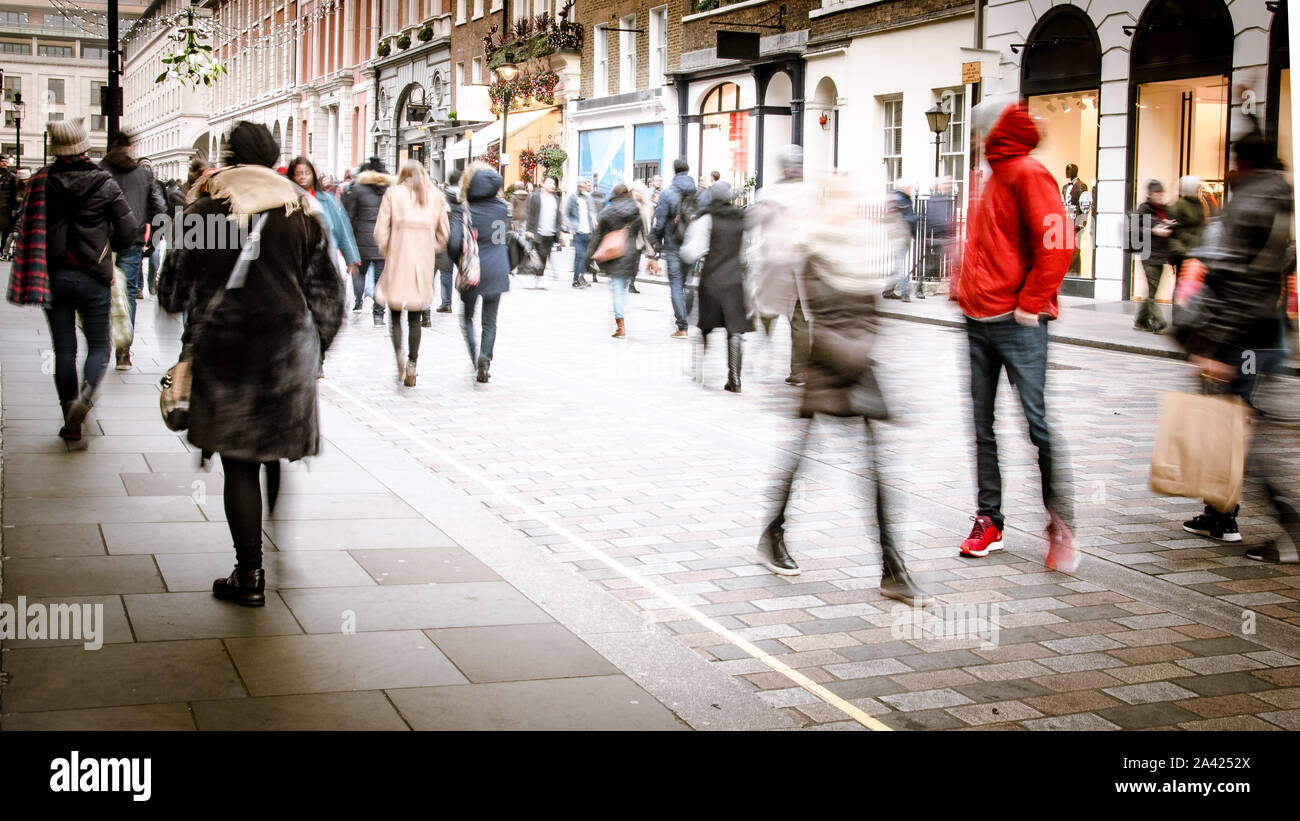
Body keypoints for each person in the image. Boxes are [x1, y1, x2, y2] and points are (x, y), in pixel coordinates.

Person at [156, 121, 346, 607]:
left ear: (230, 156)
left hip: (225, 352)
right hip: (286, 354)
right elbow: (329, 294)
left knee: (239, 464)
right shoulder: (301, 211)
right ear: (276, 155)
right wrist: (315, 347)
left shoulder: (203, 211)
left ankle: (249, 573)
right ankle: (274, 532)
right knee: (274, 451)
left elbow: (172, 292)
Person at [755, 177, 928, 604]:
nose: (848, 209)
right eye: (839, 201)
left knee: (873, 471)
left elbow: (872, 313)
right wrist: (858, 357)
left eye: (851, 201)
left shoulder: (862, 251)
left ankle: (892, 567)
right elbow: (822, 316)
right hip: (829, 366)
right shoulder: (811, 251)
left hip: (858, 366)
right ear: (823, 206)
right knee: (801, 460)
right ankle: (773, 533)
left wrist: (866, 353)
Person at [950, 96, 1077, 572]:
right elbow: (986, 245)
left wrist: (1029, 304)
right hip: (978, 321)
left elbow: (1058, 241)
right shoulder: (988, 175)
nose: (973, 136)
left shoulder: (1026, 172)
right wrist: (961, 289)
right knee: (982, 427)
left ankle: (1060, 524)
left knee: (1036, 424)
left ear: (991, 129)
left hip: (1018, 324)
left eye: (976, 128)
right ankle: (989, 519)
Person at [1176, 131, 1297, 562]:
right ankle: (1218, 513)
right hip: (1268, 336)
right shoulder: (1281, 199)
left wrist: (1211, 345)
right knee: (1233, 426)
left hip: (1243, 341)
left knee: (1237, 434)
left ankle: (1271, 524)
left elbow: (1232, 283)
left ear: (1241, 163)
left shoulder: (1250, 203)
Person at [9, 119, 137, 442]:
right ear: (83, 145)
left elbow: (24, 224)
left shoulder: (40, 182)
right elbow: (128, 231)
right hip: (94, 276)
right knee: (98, 346)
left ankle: (69, 415)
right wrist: (108, 248)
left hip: (53, 276)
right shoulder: (104, 183)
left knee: (63, 350)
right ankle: (87, 396)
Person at [373, 160, 449, 387]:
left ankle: (398, 353)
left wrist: (389, 248)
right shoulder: (435, 197)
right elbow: (444, 233)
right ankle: (412, 363)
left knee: (395, 311)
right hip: (422, 262)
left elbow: (380, 230)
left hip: (398, 258)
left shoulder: (393, 194)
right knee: (415, 315)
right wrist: (430, 246)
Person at [100, 130, 166, 370]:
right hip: (133, 239)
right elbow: (160, 206)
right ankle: (123, 351)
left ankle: (100, 346)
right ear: (130, 147)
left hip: (102, 241)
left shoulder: (99, 170)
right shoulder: (143, 175)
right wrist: (150, 235)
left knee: (101, 291)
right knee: (128, 293)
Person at [748, 145, 812, 387]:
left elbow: (753, 222)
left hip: (774, 262)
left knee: (766, 308)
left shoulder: (768, 194)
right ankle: (799, 371)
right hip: (800, 261)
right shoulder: (811, 193)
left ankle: (759, 349)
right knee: (799, 318)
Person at [679, 181, 751, 392]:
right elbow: (747, 250)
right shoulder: (741, 218)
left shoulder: (706, 218)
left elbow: (692, 251)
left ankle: (698, 371)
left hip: (712, 278)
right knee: (735, 329)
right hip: (735, 279)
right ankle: (735, 379)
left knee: (705, 326)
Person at [448, 162, 511, 384]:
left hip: (472, 270)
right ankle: (485, 359)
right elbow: (502, 238)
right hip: (497, 268)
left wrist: (458, 262)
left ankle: (475, 356)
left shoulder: (463, 210)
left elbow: (454, 243)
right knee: (490, 321)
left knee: (467, 317)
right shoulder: (502, 208)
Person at [584, 183, 644, 338]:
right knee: (621, 286)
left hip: (614, 253)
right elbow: (640, 231)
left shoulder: (607, 211)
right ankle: (621, 309)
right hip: (631, 253)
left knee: (616, 288)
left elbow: (597, 236)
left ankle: (620, 325)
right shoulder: (635, 209)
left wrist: (588, 256)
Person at [288, 156, 362, 281]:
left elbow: (341, 229)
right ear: (292, 176)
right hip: (296, 262)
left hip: (325, 260)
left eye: (307, 173)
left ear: (313, 175)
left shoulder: (326, 200)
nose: (303, 177)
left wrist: (350, 259)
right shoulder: (288, 200)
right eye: (298, 174)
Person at [650, 158, 699, 338]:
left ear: (674, 171)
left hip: (673, 245)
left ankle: (682, 327)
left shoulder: (668, 193)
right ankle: (686, 313)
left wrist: (654, 239)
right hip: (692, 245)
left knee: (676, 286)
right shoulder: (697, 193)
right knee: (687, 283)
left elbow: (660, 221)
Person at [342, 156, 392, 324]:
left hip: (361, 239)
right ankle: (378, 315)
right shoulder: (389, 189)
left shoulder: (357, 189)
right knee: (380, 279)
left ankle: (358, 302)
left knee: (359, 274)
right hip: (382, 239)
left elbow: (349, 215)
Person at [1131, 179, 1172, 332]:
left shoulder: (1163, 210)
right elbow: (1134, 229)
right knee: (1153, 288)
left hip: (1161, 254)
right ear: (1150, 194)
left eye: (1161, 193)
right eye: (1157, 193)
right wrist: (1153, 231)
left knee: (1152, 290)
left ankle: (1140, 320)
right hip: (1148, 254)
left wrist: (1169, 224)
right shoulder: (1144, 209)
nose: (1160, 196)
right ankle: (1157, 320)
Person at [920, 176, 956, 300]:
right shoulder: (934, 200)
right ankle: (920, 288)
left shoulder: (946, 200)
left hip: (941, 235)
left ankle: (952, 291)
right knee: (930, 265)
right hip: (935, 236)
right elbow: (931, 218)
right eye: (945, 184)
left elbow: (948, 217)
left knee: (947, 264)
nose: (947, 187)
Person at [882, 179, 918, 301]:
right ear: (903, 187)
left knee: (898, 264)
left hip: (904, 235)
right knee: (899, 265)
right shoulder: (897, 198)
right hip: (899, 235)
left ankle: (888, 290)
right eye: (908, 187)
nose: (910, 189)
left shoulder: (906, 198)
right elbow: (907, 218)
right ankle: (905, 292)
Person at [1168, 175, 1207, 281]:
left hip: (1195, 249)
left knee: (1193, 282)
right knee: (1183, 282)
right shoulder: (1180, 205)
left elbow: (1202, 224)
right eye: (1196, 187)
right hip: (1185, 250)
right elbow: (1174, 229)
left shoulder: (1198, 203)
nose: (1198, 189)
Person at [434, 169, 463, 313]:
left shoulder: (442, 197)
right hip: (462, 239)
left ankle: (446, 302)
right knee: (464, 269)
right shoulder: (465, 198)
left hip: (445, 237)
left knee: (446, 272)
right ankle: (466, 298)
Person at [526, 175, 564, 280]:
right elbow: (530, 213)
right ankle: (538, 275)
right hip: (538, 231)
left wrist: (558, 233)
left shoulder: (556, 198)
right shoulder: (535, 196)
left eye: (553, 184)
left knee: (545, 254)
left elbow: (558, 216)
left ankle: (538, 275)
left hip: (550, 232)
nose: (552, 185)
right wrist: (529, 229)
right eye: (549, 183)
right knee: (540, 253)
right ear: (542, 184)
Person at [566, 178, 598, 288]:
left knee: (584, 258)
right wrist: (570, 227)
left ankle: (580, 277)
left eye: (583, 186)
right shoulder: (572, 198)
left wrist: (594, 219)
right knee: (580, 256)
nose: (581, 188)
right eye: (579, 186)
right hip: (578, 232)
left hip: (588, 232)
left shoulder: (588, 198)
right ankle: (576, 280)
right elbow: (567, 214)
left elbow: (593, 211)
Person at [628, 180, 656, 294]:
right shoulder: (629, 204)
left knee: (635, 263)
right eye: (636, 191)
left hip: (639, 240)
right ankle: (626, 282)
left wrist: (650, 248)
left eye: (640, 192)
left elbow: (647, 227)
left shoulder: (647, 206)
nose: (638, 194)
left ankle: (631, 283)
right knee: (629, 263)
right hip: (629, 239)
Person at [1062, 163, 1089, 276]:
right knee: (1066, 248)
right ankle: (1067, 271)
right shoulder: (1065, 187)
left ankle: (1075, 273)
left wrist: (1082, 222)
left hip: (1076, 222)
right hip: (1066, 220)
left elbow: (1085, 205)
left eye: (1068, 170)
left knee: (1076, 248)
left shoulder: (1081, 186)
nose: (1066, 172)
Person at [0, 155, 17, 256]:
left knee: (6, 231)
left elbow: (15, 192)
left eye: (6, 161)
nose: (4, 163)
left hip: (7, 207)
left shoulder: (11, 177)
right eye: (2, 161)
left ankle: (2, 250)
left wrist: (14, 207)